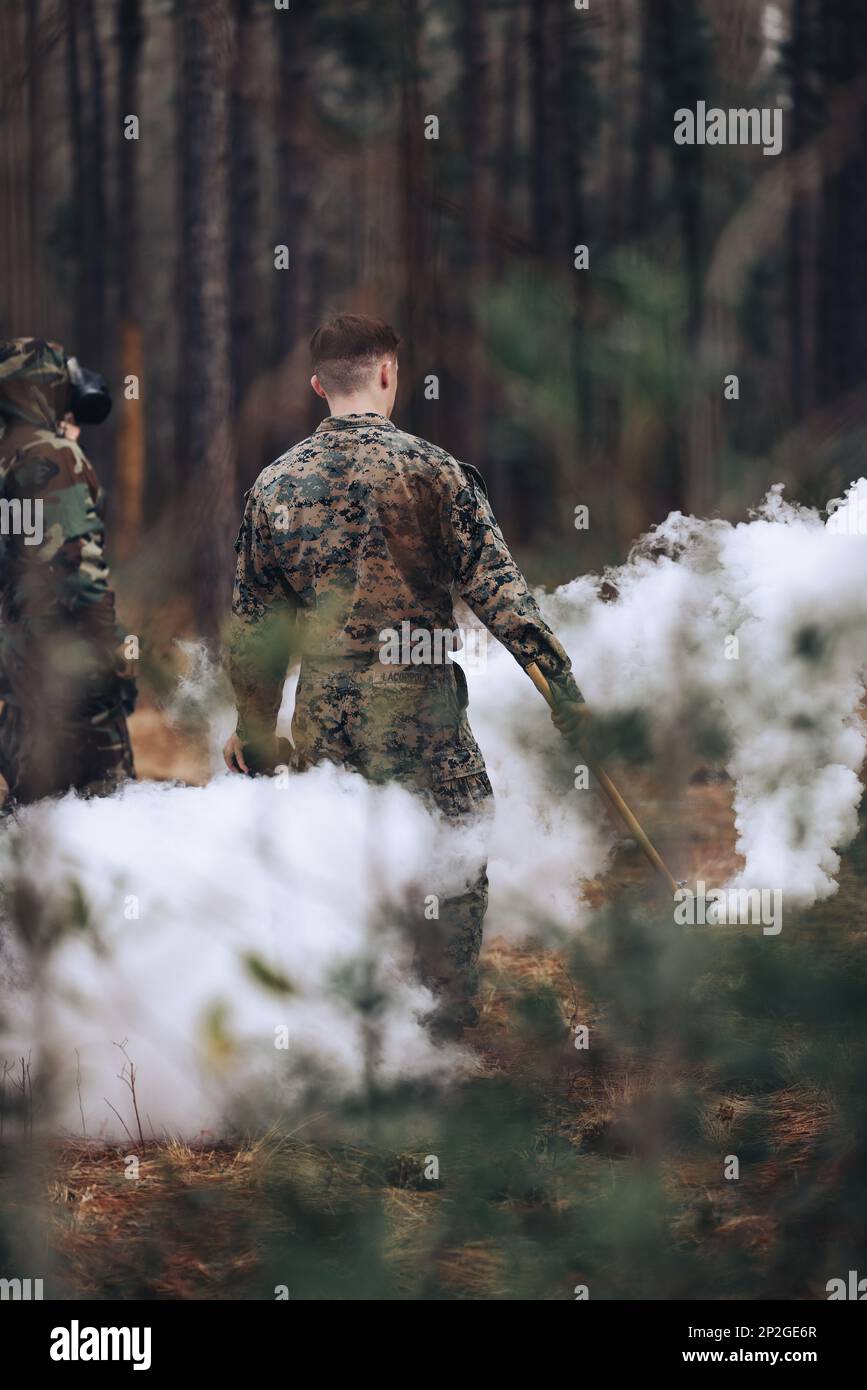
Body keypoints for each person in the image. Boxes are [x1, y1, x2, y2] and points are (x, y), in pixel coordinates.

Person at [224, 314, 586, 1037]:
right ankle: (442, 1030)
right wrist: (564, 692)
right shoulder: (435, 470)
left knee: (341, 863)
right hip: (423, 712)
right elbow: (501, 597)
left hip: (325, 717)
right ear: (389, 373)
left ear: (317, 383)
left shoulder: (274, 486)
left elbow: (258, 634)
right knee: (452, 856)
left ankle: (350, 1029)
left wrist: (253, 733)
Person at [0, 338, 136, 804]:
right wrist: (112, 664)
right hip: (72, 681)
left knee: (38, 822)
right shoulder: (52, 456)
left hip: (20, 682)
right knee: (106, 819)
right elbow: (77, 573)